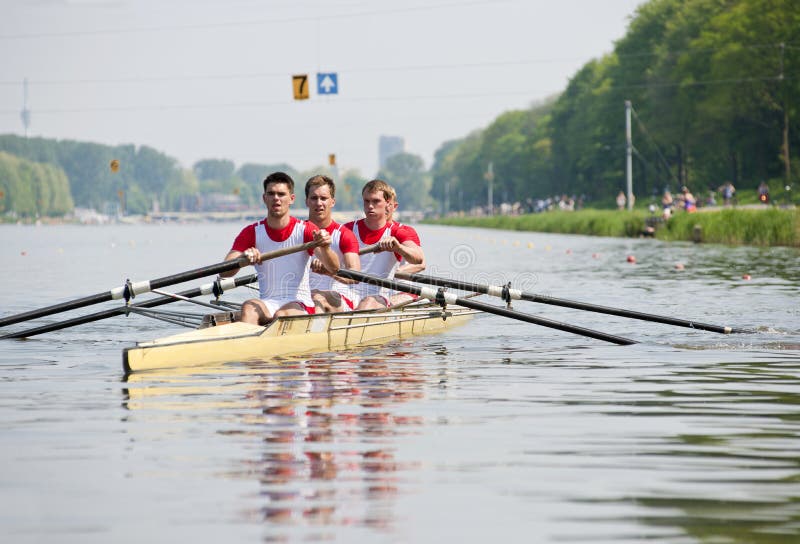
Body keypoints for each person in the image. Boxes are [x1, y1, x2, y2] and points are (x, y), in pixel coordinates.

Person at [221, 171, 339, 325]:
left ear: (291, 199)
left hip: (299, 303)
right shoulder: (251, 232)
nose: (276, 198)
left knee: (281, 315)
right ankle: (246, 346)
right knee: (248, 307)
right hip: (268, 303)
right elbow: (224, 272)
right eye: (271, 194)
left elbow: (334, 268)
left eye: (281, 194)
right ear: (264, 198)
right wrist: (243, 259)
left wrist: (325, 247)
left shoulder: (306, 230)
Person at [343, 179, 425, 310]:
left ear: (389, 204)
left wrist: (398, 248)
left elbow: (420, 260)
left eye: (376, 201)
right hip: (349, 292)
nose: (370, 206)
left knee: (368, 303)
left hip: (385, 294)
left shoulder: (400, 232)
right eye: (367, 201)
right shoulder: (346, 229)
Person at [303, 175, 361, 313]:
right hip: (303, 296)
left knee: (317, 297)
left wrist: (329, 272)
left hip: (339, 296)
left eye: (323, 198)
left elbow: (355, 277)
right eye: (314, 198)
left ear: (332, 202)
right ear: (306, 202)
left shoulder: (344, 235)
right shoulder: (297, 231)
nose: (318, 203)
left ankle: (314, 332)